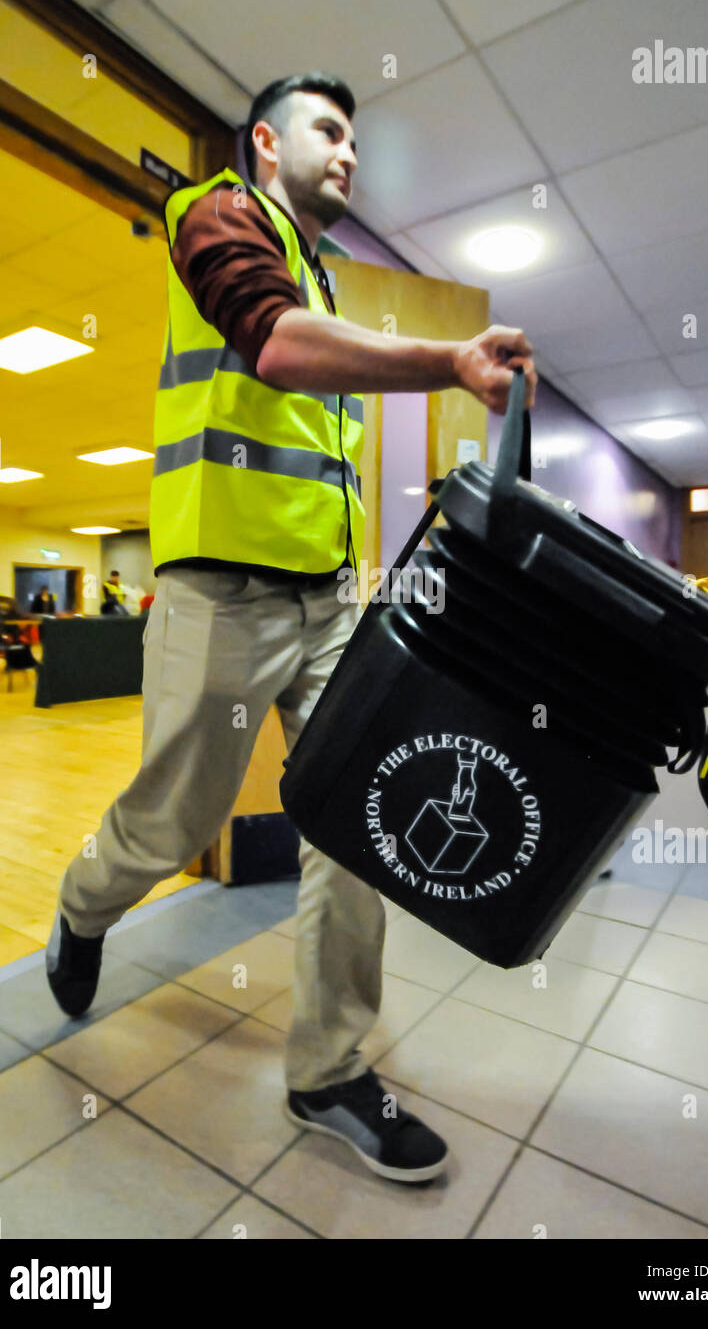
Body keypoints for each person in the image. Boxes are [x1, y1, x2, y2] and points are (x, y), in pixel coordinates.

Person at [47, 71, 536, 1184]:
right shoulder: (214, 216)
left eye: (356, 137)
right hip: (223, 591)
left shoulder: (322, 276)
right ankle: (83, 907)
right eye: (328, 129)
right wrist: (443, 362)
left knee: (356, 816)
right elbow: (269, 343)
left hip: (326, 601)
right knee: (177, 820)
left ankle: (326, 1071)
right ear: (265, 142)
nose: (348, 151)